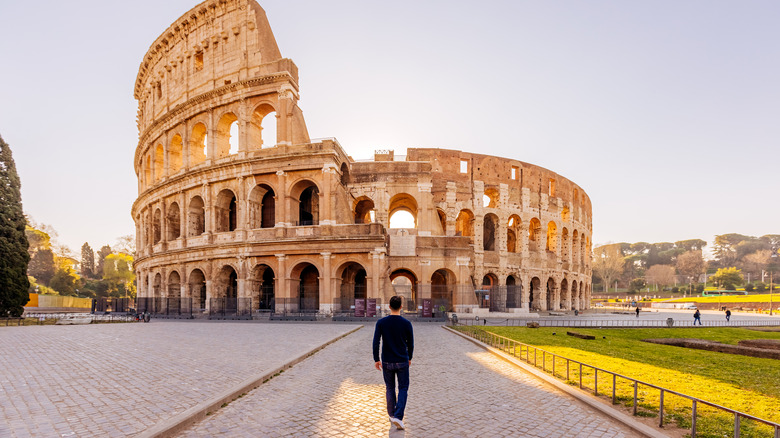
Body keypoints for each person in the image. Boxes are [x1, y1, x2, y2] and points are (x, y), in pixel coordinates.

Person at [373, 295, 414, 430]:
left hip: (387, 361)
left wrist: (376, 359)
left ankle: (392, 415)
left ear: (389, 307)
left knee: (390, 388)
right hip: (402, 360)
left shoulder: (381, 322)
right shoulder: (406, 324)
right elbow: (411, 344)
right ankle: (398, 416)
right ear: (401, 307)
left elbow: (376, 342)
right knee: (403, 388)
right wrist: (410, 357)